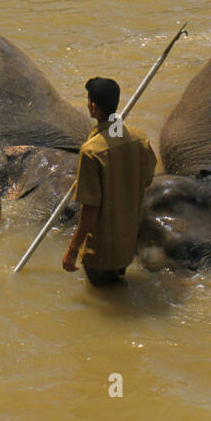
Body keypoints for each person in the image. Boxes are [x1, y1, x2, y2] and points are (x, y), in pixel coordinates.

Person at [62, 76, 157, 286]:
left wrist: (72, 250)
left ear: (94, 107)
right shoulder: (139, 138)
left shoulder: (91, 151)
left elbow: (90, 210)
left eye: (88, 101)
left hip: (100, 252)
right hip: (127, 246)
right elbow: (148, 180)